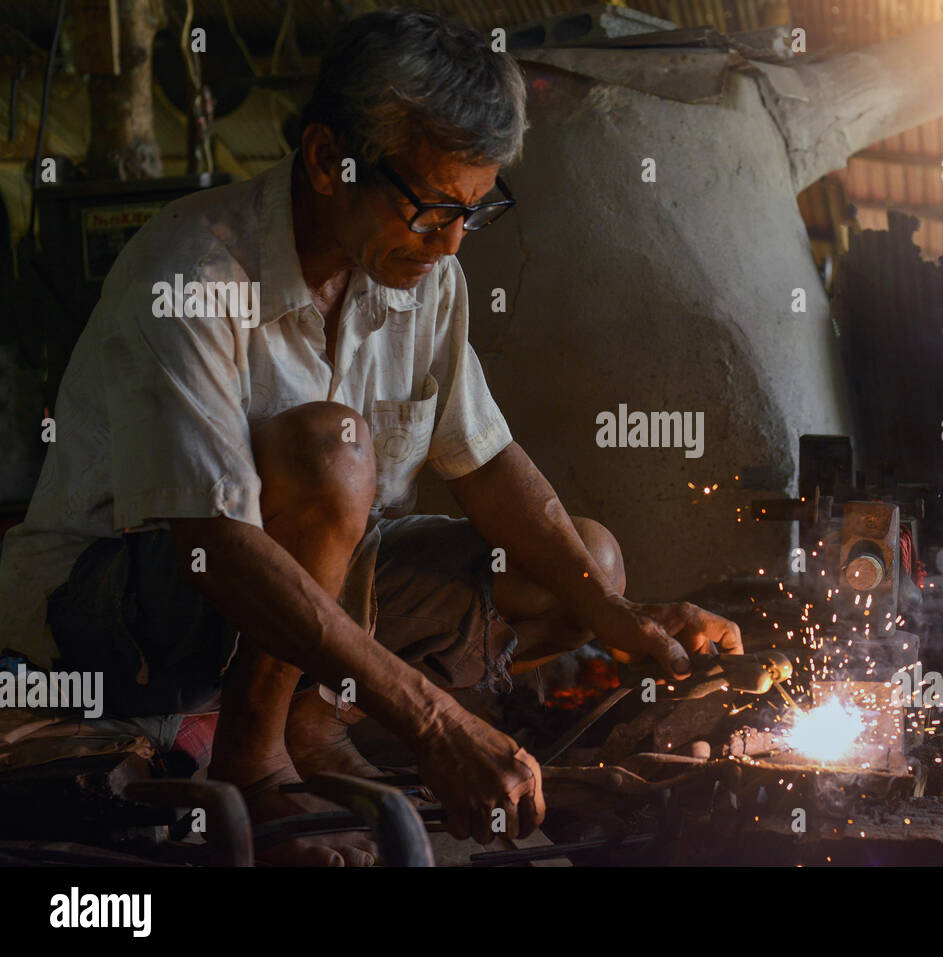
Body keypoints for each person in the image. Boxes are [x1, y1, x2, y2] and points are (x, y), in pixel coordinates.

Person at [0, 8, 742, 865]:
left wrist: (615, 617)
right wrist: (434, 722)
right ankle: (252, 757)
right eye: (430, 207)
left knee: (585, 562)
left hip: (294, 596)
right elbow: (218, 544)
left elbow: (488, 460)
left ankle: (308, 723)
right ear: (326, 160)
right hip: (117, 604)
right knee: (332, 450)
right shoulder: (194, 271)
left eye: (474, 209)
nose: (452, 240)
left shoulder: (426, 274)